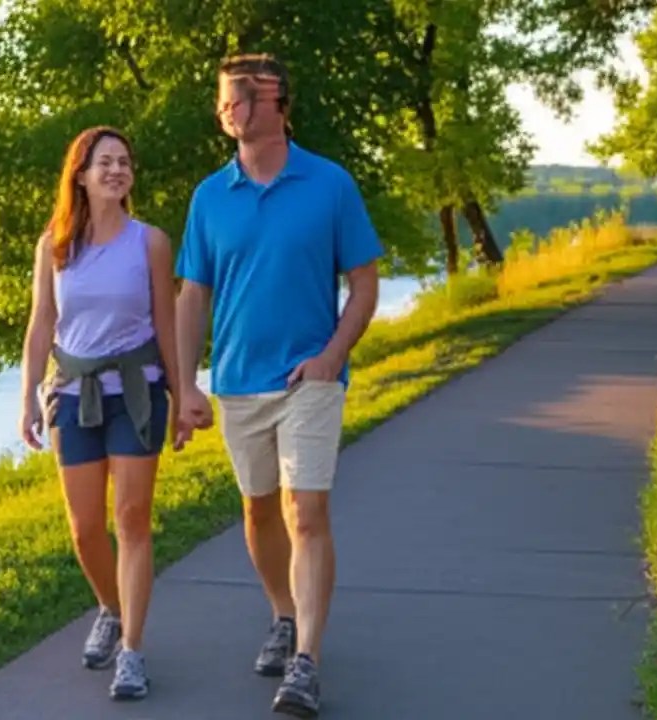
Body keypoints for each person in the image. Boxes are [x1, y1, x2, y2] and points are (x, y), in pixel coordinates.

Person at [171, 53, 383, 717]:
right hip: (237, 381)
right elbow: (191, 296)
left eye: (245, 98)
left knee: (306, 512)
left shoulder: (330, 185)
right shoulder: (210, 196)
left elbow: (365, 284)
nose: (231, 109)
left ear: (280, 107)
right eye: (225, 100)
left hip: (308, 379)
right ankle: (283, 614)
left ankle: (307, 663)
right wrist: (186, 385)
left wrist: (331, 356)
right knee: (259, 509)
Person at [18, 125, 187, 702]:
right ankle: (110, 609)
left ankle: (133, 653)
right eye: (104, 162)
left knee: (133, 519)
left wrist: (184, 392)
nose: (117, 170)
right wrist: (27, 398)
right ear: (81, 175)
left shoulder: (151, 242)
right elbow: (42, 323)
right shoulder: (55, 246)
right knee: (85, 528)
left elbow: (168, 324)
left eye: (124, 162)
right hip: (70, 393)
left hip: (136, 391)